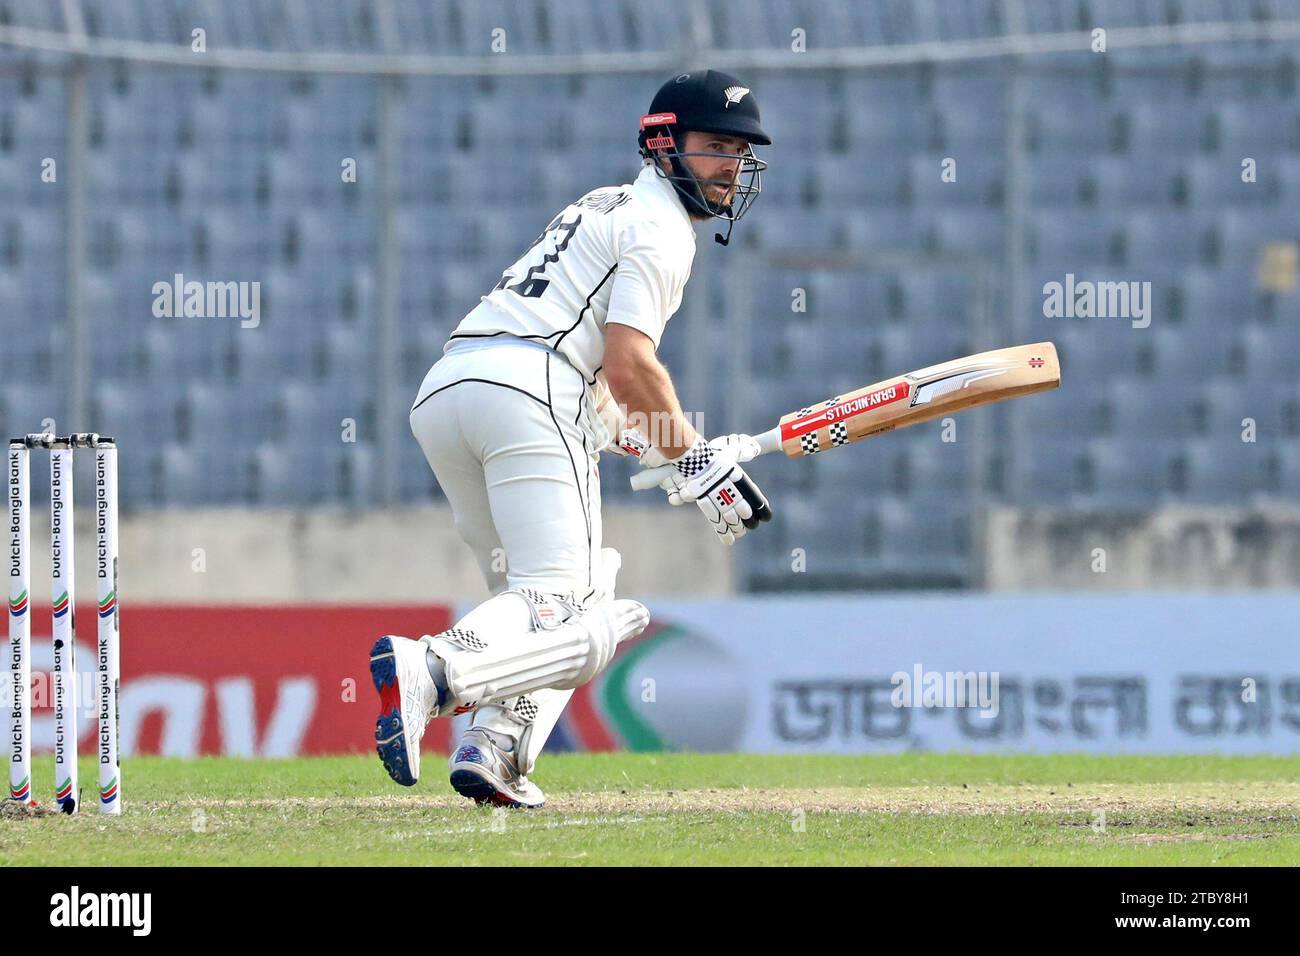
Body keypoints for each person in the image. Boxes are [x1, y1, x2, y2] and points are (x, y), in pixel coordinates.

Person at [369, 69, 774, 808]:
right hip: (531, 392)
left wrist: (654, 443)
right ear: (664, 143)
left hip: (453, 389)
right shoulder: (661, 229)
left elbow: (605, 381)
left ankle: (496, 748)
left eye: (741, 153)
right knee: (570, 607)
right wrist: (697, 466)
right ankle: (430, 669)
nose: (731, 166)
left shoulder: (602, 204)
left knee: (547, 598)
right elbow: (628, 362)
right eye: (716, 145)